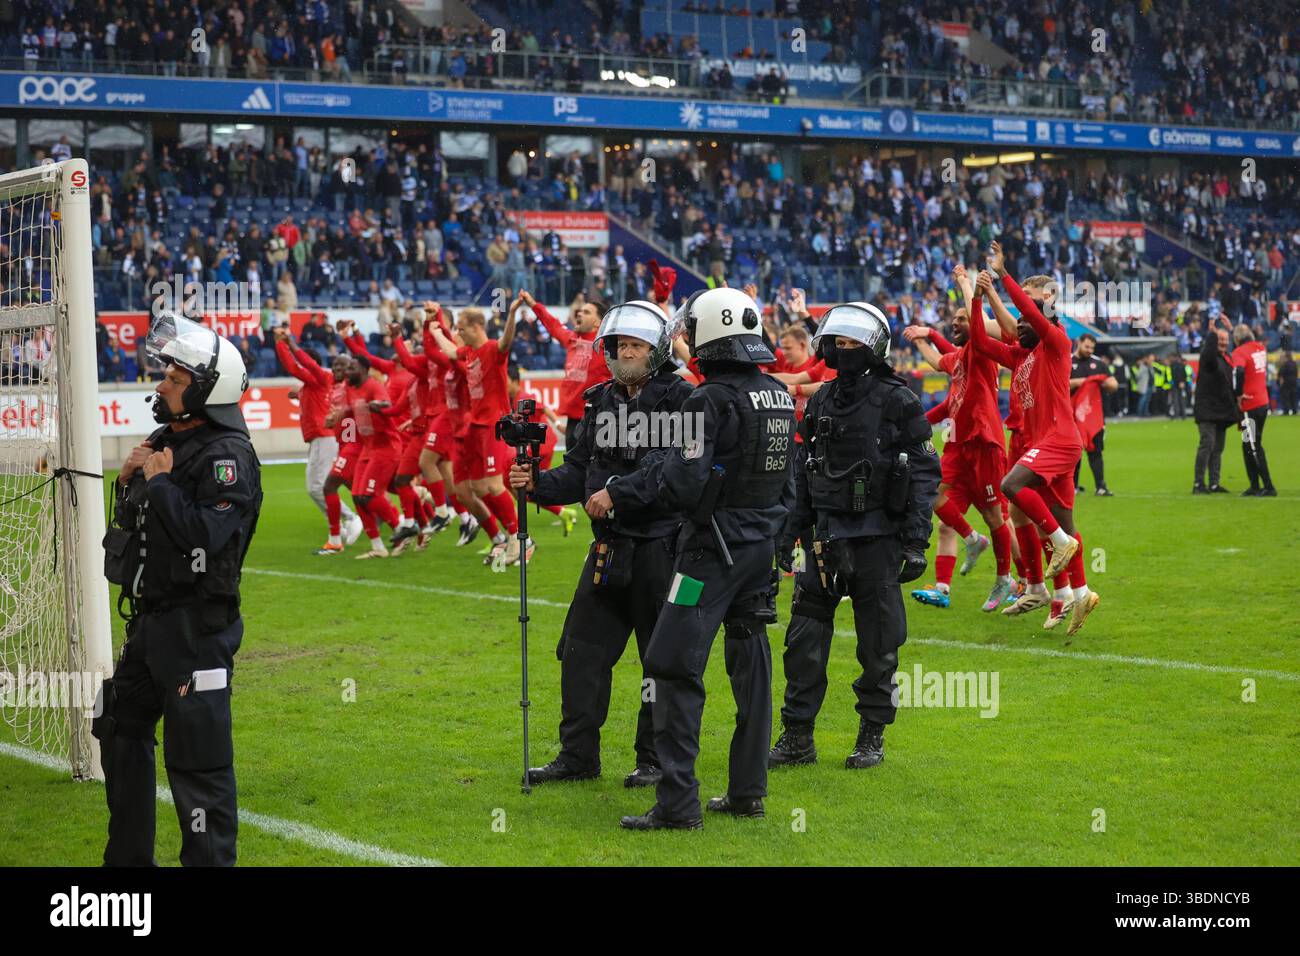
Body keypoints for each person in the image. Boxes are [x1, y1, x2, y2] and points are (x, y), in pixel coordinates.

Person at [621, 287, 794, 830]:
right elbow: (791, 481)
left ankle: (677, 804)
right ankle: (748, 792)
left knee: (670, 664)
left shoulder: (708, 399)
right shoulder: (778, 395)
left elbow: (681, 482)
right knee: (752, 664)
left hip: (708, 554)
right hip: (759, 547)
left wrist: (643, 483)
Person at [94, 314, 263, 866]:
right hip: (151, 622)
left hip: (198, 629)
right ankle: (127, 867)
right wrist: (128, 485)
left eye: (174, 378)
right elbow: (135, 529)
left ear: (205, 390)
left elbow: (204, 537)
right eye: (165, 375)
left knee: (199, 766)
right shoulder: (165, 439)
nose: (161, 386)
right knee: (118, 726)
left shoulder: (228, 456)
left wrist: (161, 482)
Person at [509, 300, 694, 788]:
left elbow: (674, 472)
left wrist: (617, 493)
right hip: (609, 551)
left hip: (662, 547)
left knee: (661, 661)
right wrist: (537, 486)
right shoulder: (598, 400)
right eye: (618, 345)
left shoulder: (683, 398)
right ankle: (578, 756)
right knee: (581, 653)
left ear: (655, 349)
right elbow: (579, 469)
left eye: (634, 345)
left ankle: (653, 759)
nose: (624, 353)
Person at [768, 301, 940, 769]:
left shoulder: (898, 399)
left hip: (877, 538)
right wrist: (789, 534)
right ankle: (797, 736)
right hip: (823, 539)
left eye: (852, 344)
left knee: (879, 645)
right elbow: (804, 472)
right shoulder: (822, 399)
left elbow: (924, 472)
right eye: (837, 343)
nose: (843, 351)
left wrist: (915, 541)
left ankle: (871, 736)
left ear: (872, 348)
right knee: (803, 641)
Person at [971, 243, 1099, 635]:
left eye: (1024, 321)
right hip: (1047, 443)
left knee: (1012, 487)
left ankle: (1055, 557)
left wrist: (1002, 274)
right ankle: (1081, 593)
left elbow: (1029, 316)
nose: (1016, 327)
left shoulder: (1056, 342)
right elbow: (979, 341)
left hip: (1060, 440)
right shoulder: (1021, 357)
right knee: (1062, 519)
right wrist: (978, 299)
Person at [904, 273, 1014, 613]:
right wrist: (920, 339)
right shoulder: (961, 358)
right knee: (931, 495)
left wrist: (969, 286)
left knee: (999, 518)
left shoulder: (982, 352)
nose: (956, 322)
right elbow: (939, 362)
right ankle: (970, 543)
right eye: (952, 320)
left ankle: (1008, 579)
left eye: (961, 319)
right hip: (959, 446)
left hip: (984, 444)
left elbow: (976, 319)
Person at [274, 326, 362, 550]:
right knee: (321, 486)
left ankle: (351, 519)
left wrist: (285, 344)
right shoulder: (310, 385)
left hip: (325, 437)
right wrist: (281, 345)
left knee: (320, 486)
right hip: (320, 438)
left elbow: (297, 366)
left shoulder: (319, 378)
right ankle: (344, 523)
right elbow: (296, 368)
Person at [1192, 315, 1238, 494]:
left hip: (1222, 411)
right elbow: (1210, 351)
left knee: (1218, 448)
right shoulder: (1208, 359)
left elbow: (1240, 350)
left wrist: (1232, 330)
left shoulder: (1227, 358)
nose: (1224, 343)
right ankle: (1198, 483)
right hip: (1207, 409)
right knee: (1207, 444)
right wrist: (1211, 334)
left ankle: (1213, 483)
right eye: (1221, 339)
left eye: (1226, 340)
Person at [1231, 325, 1277, 496]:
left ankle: (1267, 486)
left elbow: (1239, 371)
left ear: (1236, 340)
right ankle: (1255, 485)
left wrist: (1238, 394)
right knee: (1248, 444)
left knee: (1252, 445)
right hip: (1262, 402)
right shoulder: (1259, 347)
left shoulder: (1239, 353)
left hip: (1249, 405)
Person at [1070, 333, 1118, 496]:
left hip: (1094, 418)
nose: (1090, 350)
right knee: (1074, 453)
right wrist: (1081, 382)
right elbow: (1060, 385)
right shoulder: (1067, 362)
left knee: (1096, 451)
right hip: (1071, 417)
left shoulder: (1099, 364)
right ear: (1079, 343)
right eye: (1087, 347)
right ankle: (1072, 487)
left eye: (1092, 348)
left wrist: (1106, 383)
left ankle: (1101, 486)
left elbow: (1113, 384)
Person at [1279, 350, 1297, 415]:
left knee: (1286, 397)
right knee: (1293, 397)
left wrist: (1281, 384)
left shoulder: (1284, 365)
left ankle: (1286, 411)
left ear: (1286, 357)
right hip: (1294, 382)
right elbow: (1296, 373)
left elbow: (1281, 375)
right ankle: (1295, 410)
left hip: (1286, 383)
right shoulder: (1294, 363)